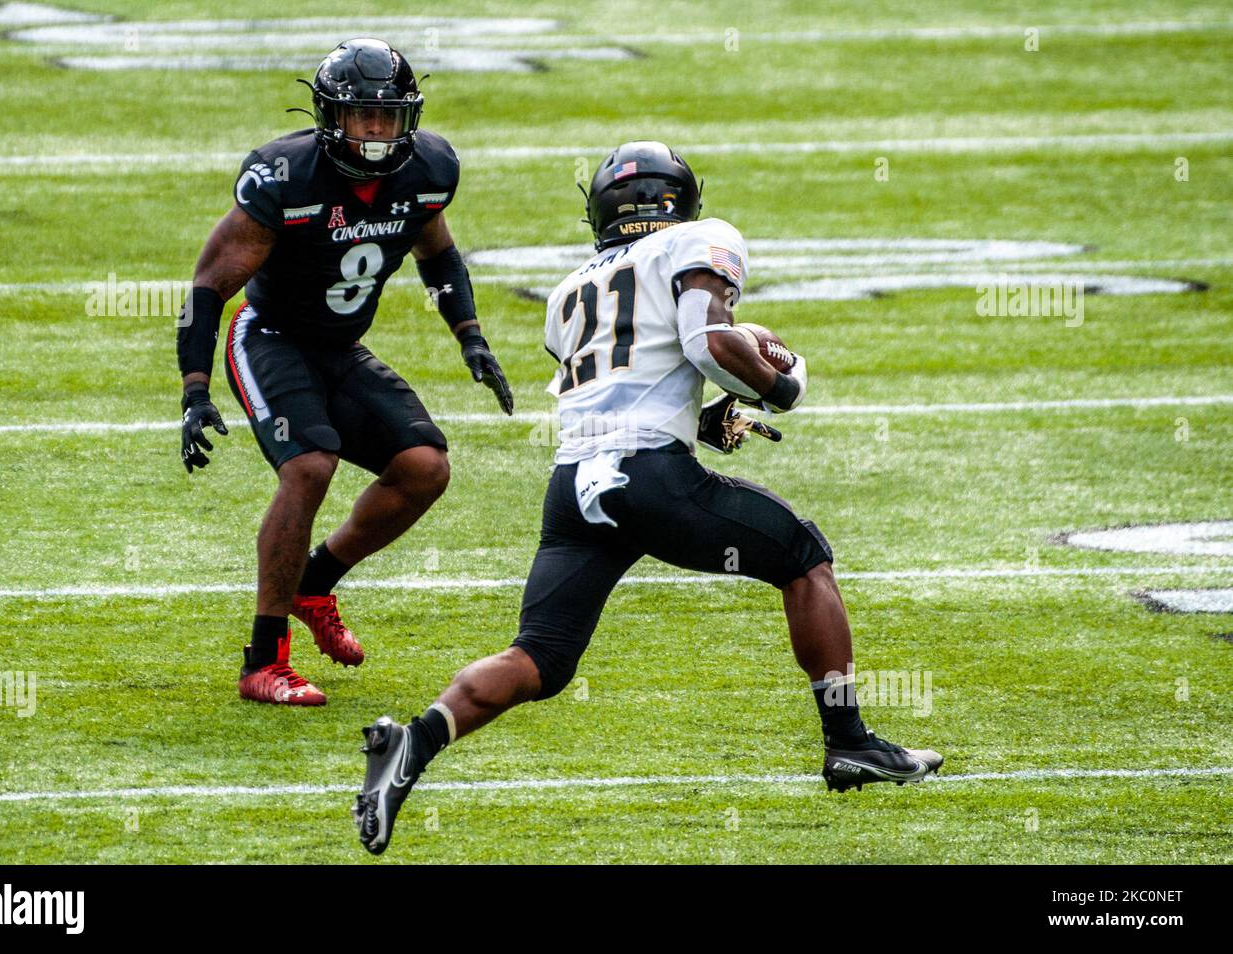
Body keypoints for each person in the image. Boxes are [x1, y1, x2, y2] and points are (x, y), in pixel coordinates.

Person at [352, 141, 941, 853]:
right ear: (681, 198)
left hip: (575, 486)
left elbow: (624, 376)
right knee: (804, 557)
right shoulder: (703, 241)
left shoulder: (569, 293)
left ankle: (410, 745)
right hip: (647, 475)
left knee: (539, 656)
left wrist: (703, 420)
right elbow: (706, 342)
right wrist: (784, 387)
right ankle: (850, 743)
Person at [176, 38, 513, 706]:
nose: (378, 130)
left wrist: (470, 337)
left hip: (338, 347)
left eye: (389, 117)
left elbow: (438, 255)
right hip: (270, 335)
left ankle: (314, 582)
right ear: (334, 116)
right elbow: (210, 284)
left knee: (425, 467)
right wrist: (194, 390)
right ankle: (263, 660)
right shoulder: (286, 177)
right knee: (310, 467)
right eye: (364, 116)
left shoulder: (427, 170)